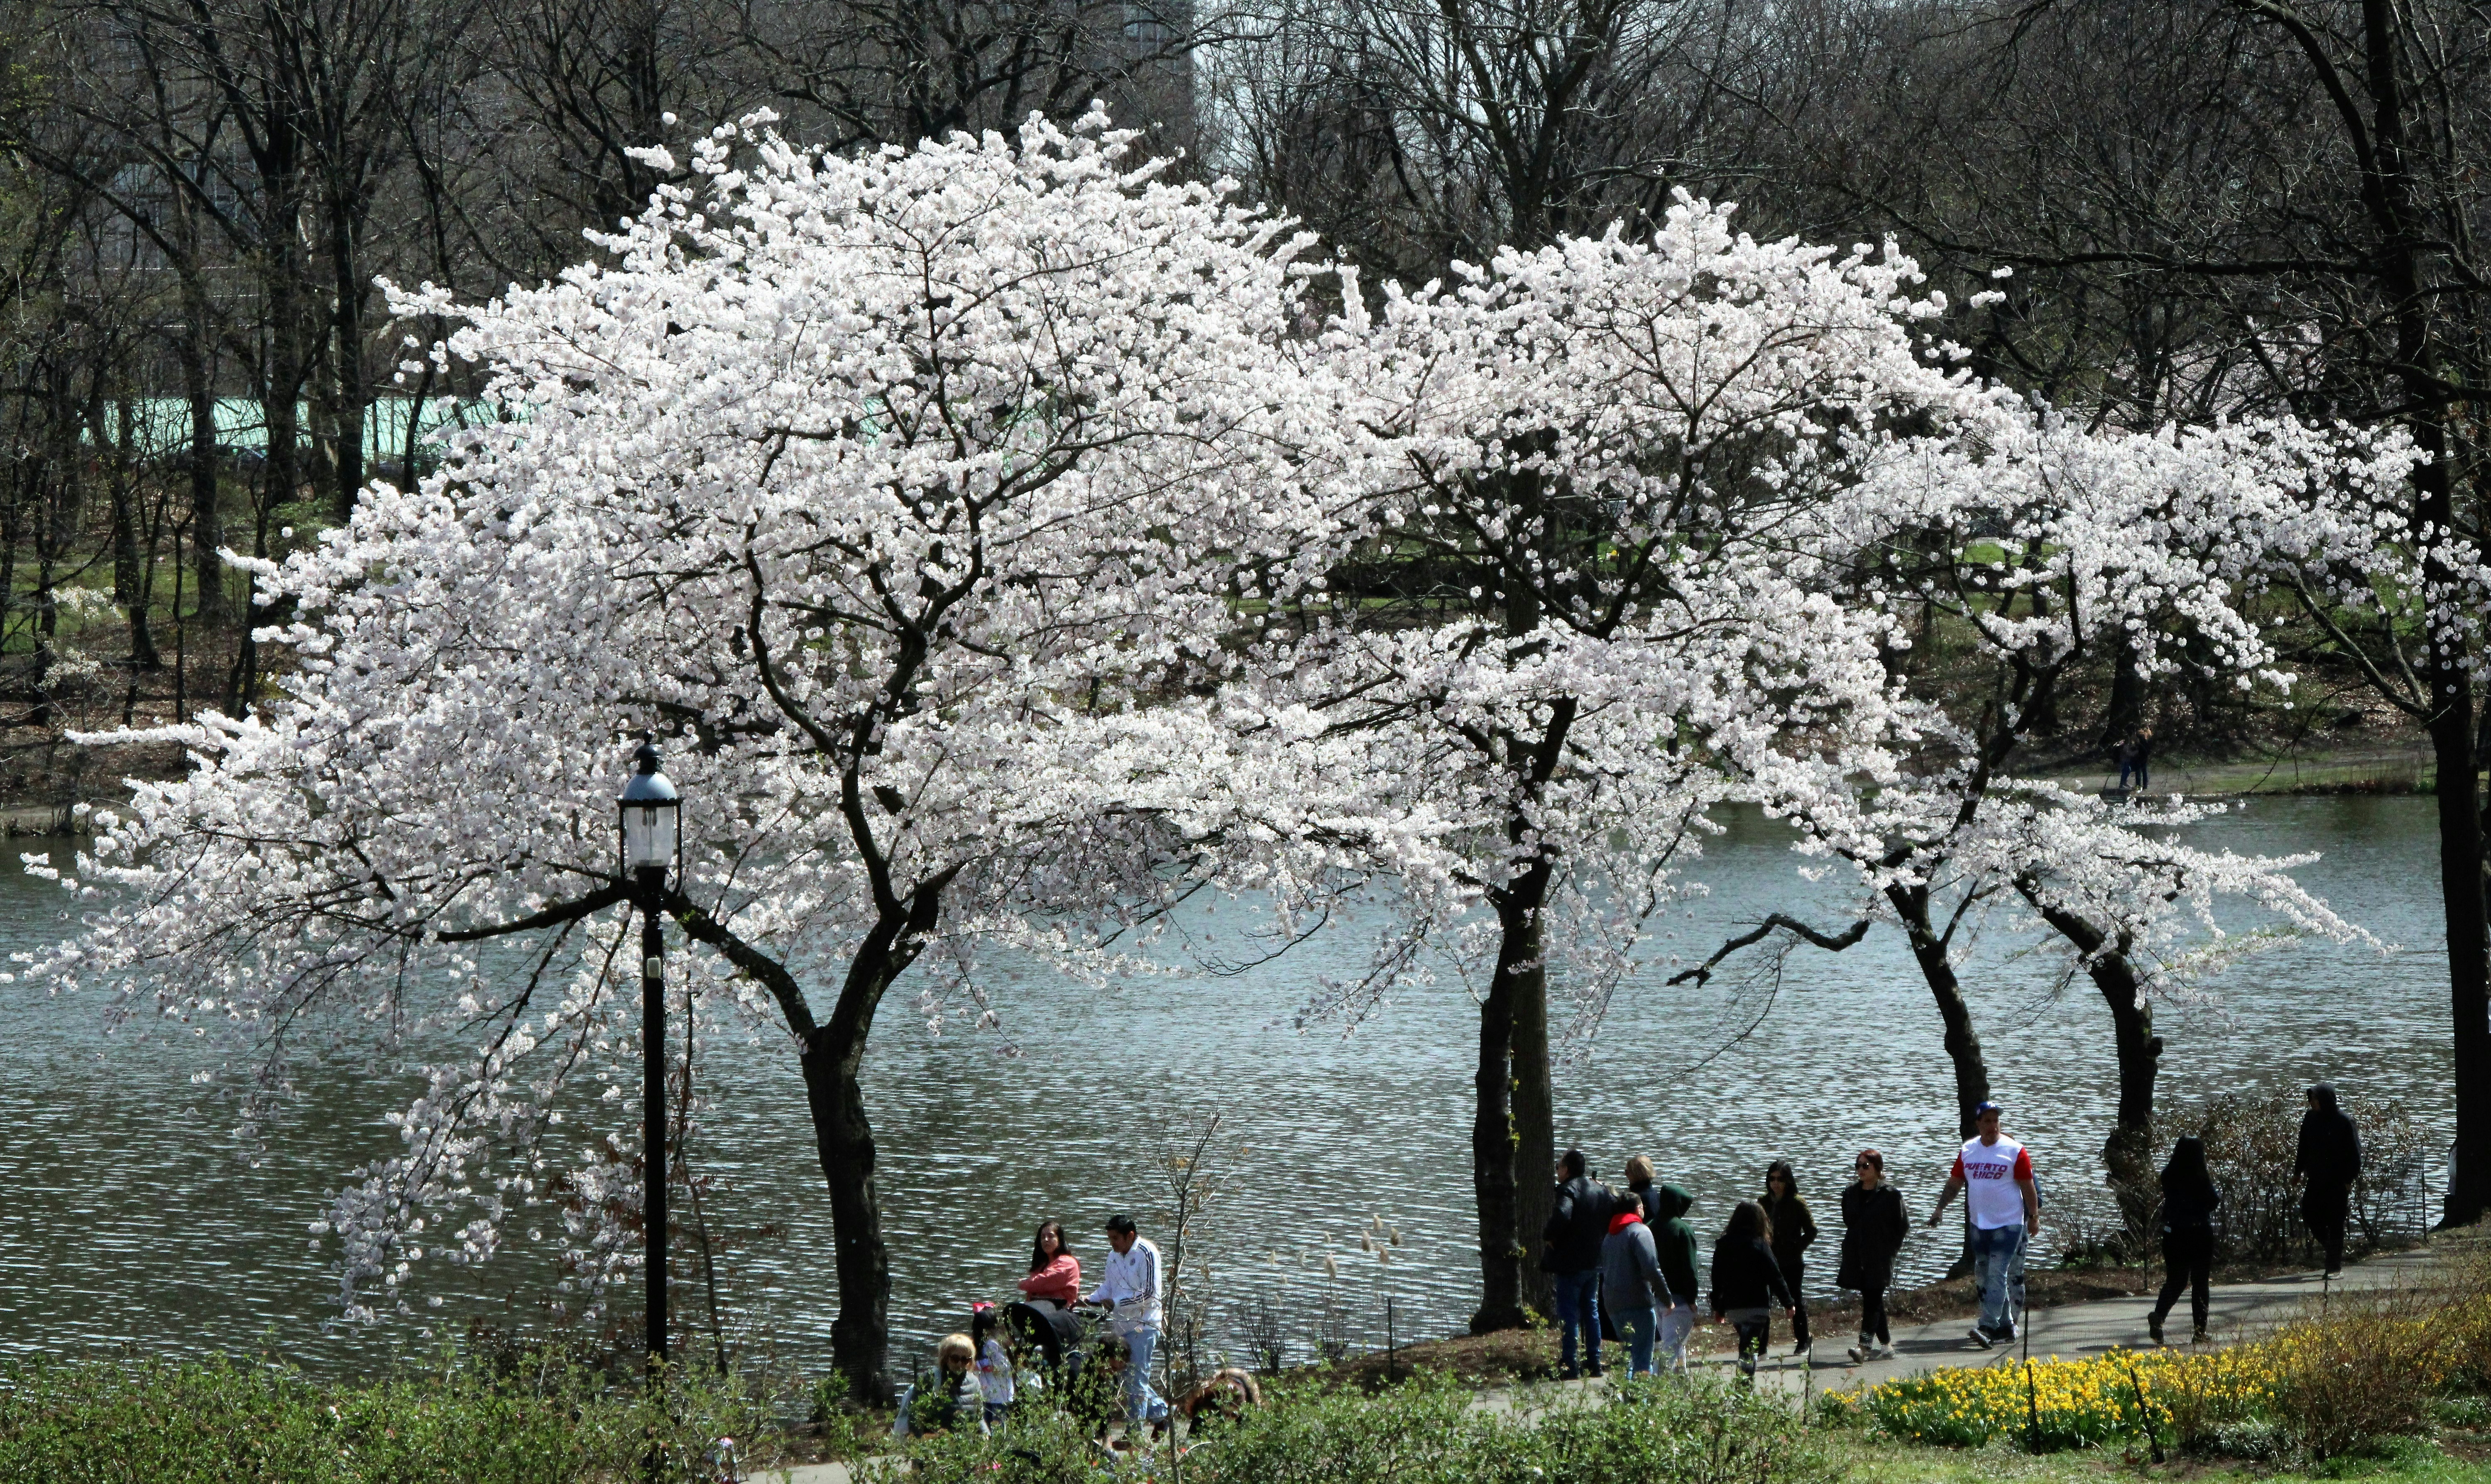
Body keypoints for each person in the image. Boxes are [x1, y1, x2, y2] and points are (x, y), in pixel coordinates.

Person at [1929, 1099, 2039, 1349]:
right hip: (1979, 1224)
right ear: (1978, 1124)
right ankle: (2007, 1326)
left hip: (2009, 1223)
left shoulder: (2014, 1150)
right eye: (1987, 1121)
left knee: (1997, 1273)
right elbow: (1955, 1183)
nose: (1993, 1126)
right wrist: (1939, 1209)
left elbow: (2028, 1187)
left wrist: (2033, 1217)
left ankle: (1987, 1326)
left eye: (1996, 1120)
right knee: (1982, 1274)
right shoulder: (1968, 1150)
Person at [1086, 1213, 1168, 1425]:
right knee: (1127, 1379)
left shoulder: (1147, 1253)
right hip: (1121, 1326)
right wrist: (1089, 1300)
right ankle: (1164, 1414)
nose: (1111, 1243)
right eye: (1110, 1238)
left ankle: (1135, 1436)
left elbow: (1150, 1294)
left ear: (1130, 1235)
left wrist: (1116, 1303)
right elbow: (1109, 1288)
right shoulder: (1113, 1256)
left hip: (1144, 1325)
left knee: (1137, 1380)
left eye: (1115, 1238)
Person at [1542, 1148, 1613, 1379]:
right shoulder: (1601, 1191)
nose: (1557, 1171)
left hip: (1570, 1263)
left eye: (1558, 1167)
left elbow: (1563, 1215)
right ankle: (1595, 1362)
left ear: (1567, 1170)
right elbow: (1616, 1206)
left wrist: (1550, 1236)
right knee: (1591, 1311)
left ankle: (1570, 1364)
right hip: (1593, 1262)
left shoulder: (1568, 1190)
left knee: (1569, 1314)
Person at [1708, 1200, 1797, 1381]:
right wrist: (1788, 1303)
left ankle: (1745, 1380)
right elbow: (1775, 1276)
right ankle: (1744, 1383)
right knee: (1750, 1345)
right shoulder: (1761, 1245)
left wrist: (1718, 1307)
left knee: (1747, 1342)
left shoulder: (1724, 1245)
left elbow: (1717, 1279)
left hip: (1734, 1306)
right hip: (1758, 1306)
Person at [1838, 1148, 1909, 1363]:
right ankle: (1887, 1345)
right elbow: (1849, 1222)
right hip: (1857, 1255)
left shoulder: (1890, 1194)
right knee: (1872, 1298)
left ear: (1878, 1169)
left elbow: (1902, 1225)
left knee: (1872, 1299)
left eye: (1865, 1166)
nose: (1861, 1170)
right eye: (1858, 1166)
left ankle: (1864, 1346)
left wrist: (1891, 1250)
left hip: (1880, 1257)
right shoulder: (1850, 1193)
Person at [2148, 1135, 2221, 1345]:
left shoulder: (2168, 1176)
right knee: (2200, 1283)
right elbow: (2214, 1201)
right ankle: (2200, 1332)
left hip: (2173, 1234)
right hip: (2198, 1234)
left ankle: (2159, 1316)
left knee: (2176, 1280)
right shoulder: (2200, 1177)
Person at [1599, 1188, 1667, 1378]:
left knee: (1629, 1353)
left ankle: (1625, 1397)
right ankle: (1639, 1403)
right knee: (1643, 1357)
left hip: (1612, 1303)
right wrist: (1667, 1298)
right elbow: (1651, 1269)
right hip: (1638, 1302)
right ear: (1638, 1210)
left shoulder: (1610, 1235)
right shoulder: (1641, 1231)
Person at [2295, 1083, 2363, 1275]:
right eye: (2311, 1100)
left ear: (2325, 1100)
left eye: (2315, 1100)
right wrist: (2297, 1172)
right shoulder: (2310, 1119)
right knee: (2309, 1213)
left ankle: (2334, 1268)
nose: (2312, 1103)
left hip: (2338, 1182)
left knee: (2335, 1222)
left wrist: (2349, 1179)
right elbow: (2303, 1147)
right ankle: (2332, 1250)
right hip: (2316, 1179)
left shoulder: (2344, 1122)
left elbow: (2355, 1154)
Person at [1759, 1160, 1818, 1361]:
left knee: (1794, 1301)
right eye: (1772, 1179)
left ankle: (1803, 1341)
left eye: (1780, 1179)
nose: (1775, 1183)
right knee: (1764, 1302)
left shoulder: (1797, 1202)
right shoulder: (1763, 1203)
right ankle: (1761, 1347)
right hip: (1768, 1261)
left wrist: (1797, 1247)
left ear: (1788, 1181)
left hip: (1792, 1261)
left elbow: (1812, 1231)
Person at [891, 1332, 989, 1438]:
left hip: (965, 1447)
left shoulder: (974, 1382)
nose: (960, 1364)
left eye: (965, 1360)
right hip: (937, 1447)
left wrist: (986, 1436)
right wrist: (923, 1439)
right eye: (955, 1359)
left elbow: (979, 1418)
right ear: (946, 1358)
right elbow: (915, 1417)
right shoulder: (930, 1380)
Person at [1648, 1182, 1700, 1373]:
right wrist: (1692, 1298)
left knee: (1676, 1348)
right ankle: (1649, 1392)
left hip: (1656, 1298)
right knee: (1670, 1350)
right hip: (1679, 1300)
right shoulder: (1682, 1230)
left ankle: (1682, 1395)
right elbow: (1690, 1269)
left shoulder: (1649, 1227)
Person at [969, 1302, 1015, 1429]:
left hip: (999, 1394)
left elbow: (1004, 1366)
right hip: (990, 1392)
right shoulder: (991, 1342)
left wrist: (980, 1365)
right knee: (989, 1426)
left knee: (996, 1427)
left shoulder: (992, 1344)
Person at [1019, 1220, 1081, 1311]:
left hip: (1062, 1312)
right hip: (1040, 1310)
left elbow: (1045, 1282)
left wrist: (1023, 1283)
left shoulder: (1068, 1263)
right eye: (1043, 1237)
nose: (1046, 1240)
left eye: (1051, 1236)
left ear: (1059, 1240)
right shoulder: (1041, 1265)